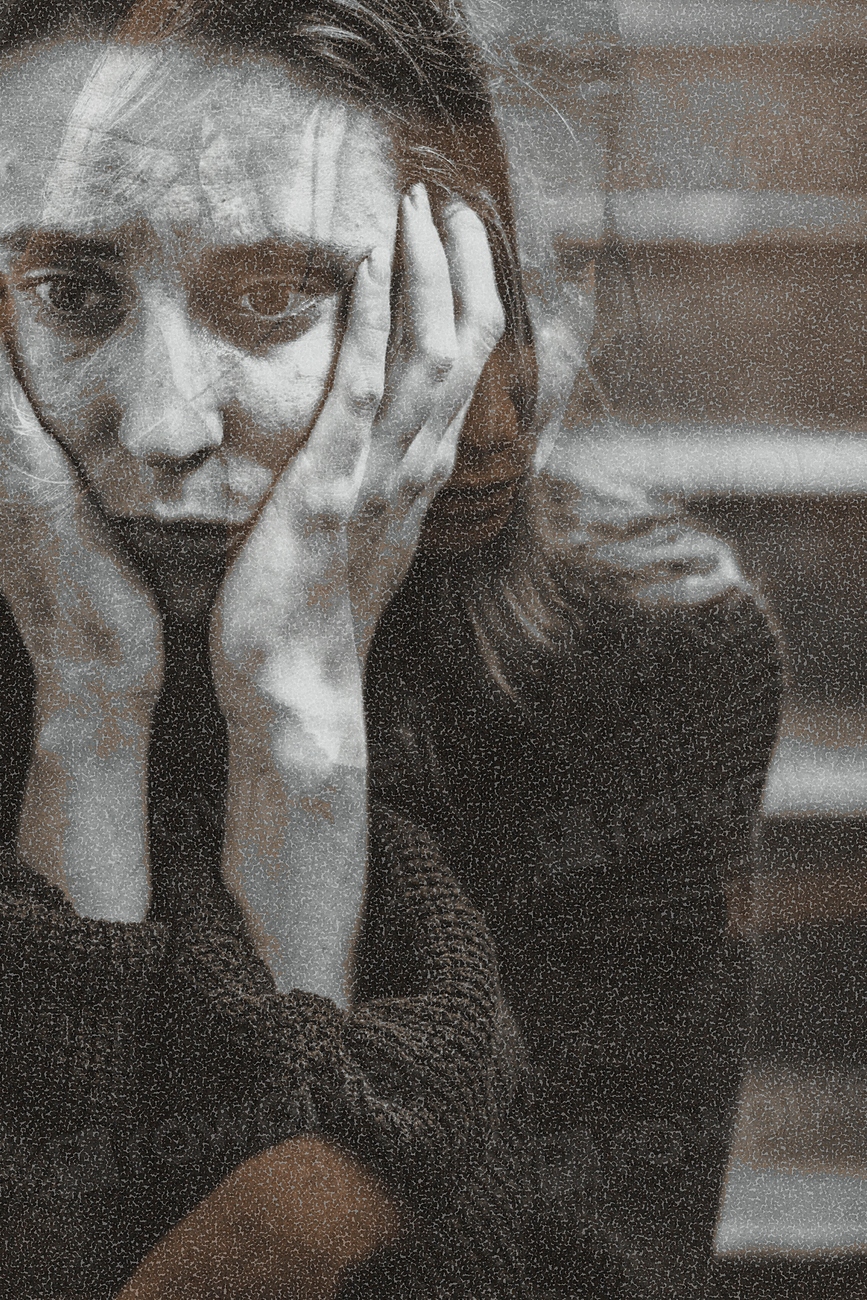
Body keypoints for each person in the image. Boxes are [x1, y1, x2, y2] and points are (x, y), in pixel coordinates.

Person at [0, 1, 782, 1297]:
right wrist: (85, 710)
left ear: (449, 314)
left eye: (269, 296)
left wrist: (299, 738)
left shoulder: (644, 667)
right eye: (69, 293)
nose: (163, 425)